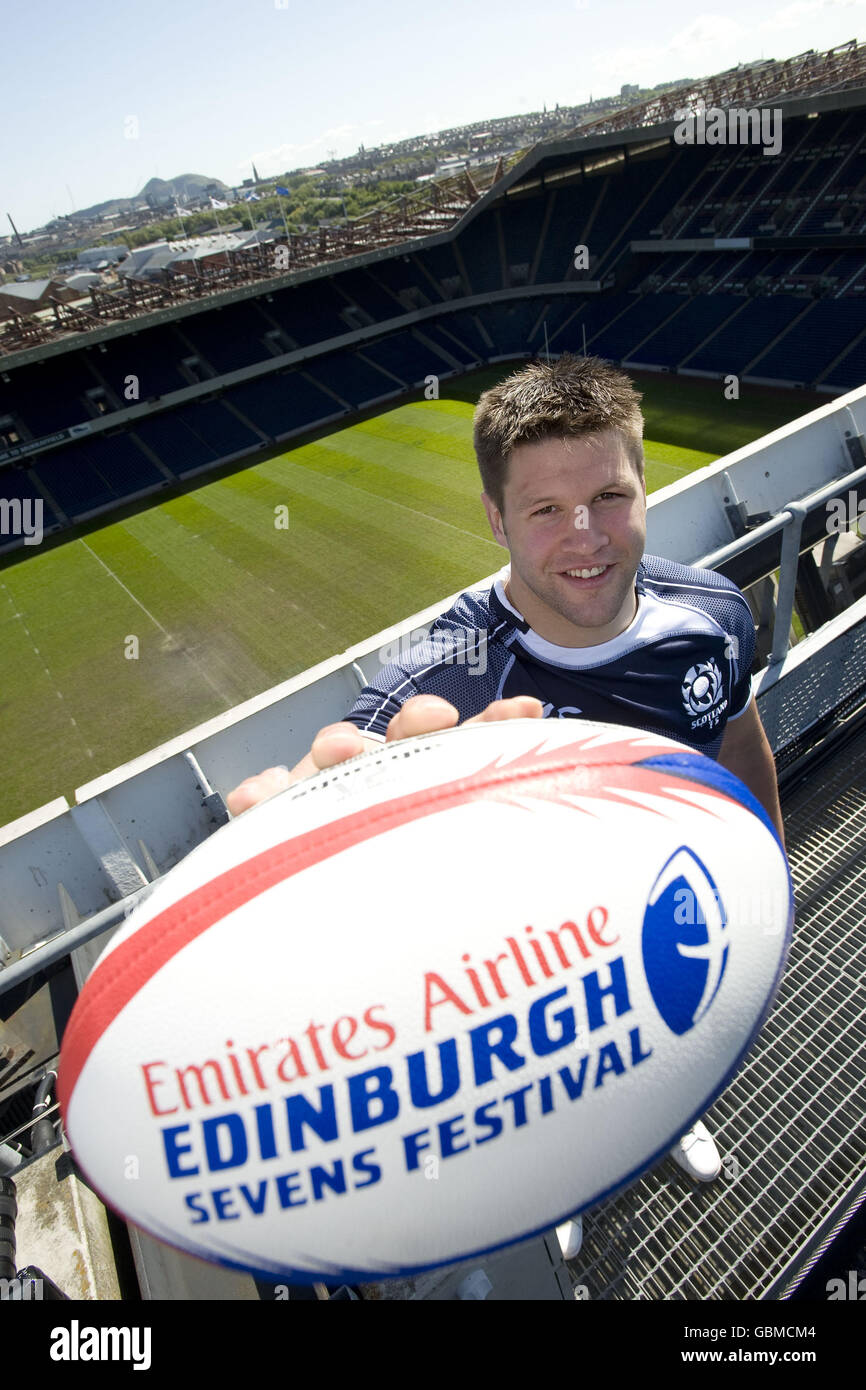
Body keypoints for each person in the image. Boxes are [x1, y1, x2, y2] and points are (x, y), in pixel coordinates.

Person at [228, 353, 786, 1263]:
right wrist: (298, 841)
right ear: (495, 519)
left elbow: (737, 741)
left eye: (609, 496)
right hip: (538, 972)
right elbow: (345, 769)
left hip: (668, 917)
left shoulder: (712, 612)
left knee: (671, 1051)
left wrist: (768, 868)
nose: (586, 536)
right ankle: (565, 1175)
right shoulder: (438, 674)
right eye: (543, 510)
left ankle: (672, 1113)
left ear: (646, 485)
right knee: (562, 1101)